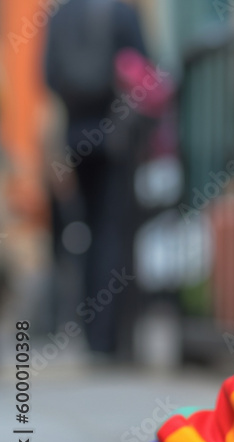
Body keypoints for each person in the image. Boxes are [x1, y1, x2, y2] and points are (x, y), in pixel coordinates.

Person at [45, 0, 148, 357]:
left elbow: (48, 77)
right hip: (116, 135)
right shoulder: (122, 14)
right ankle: (109, 337)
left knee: (87, 232)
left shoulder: (60, 15)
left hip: (76, 137)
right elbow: (144, 70)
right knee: (113, 232)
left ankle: (90, 332)